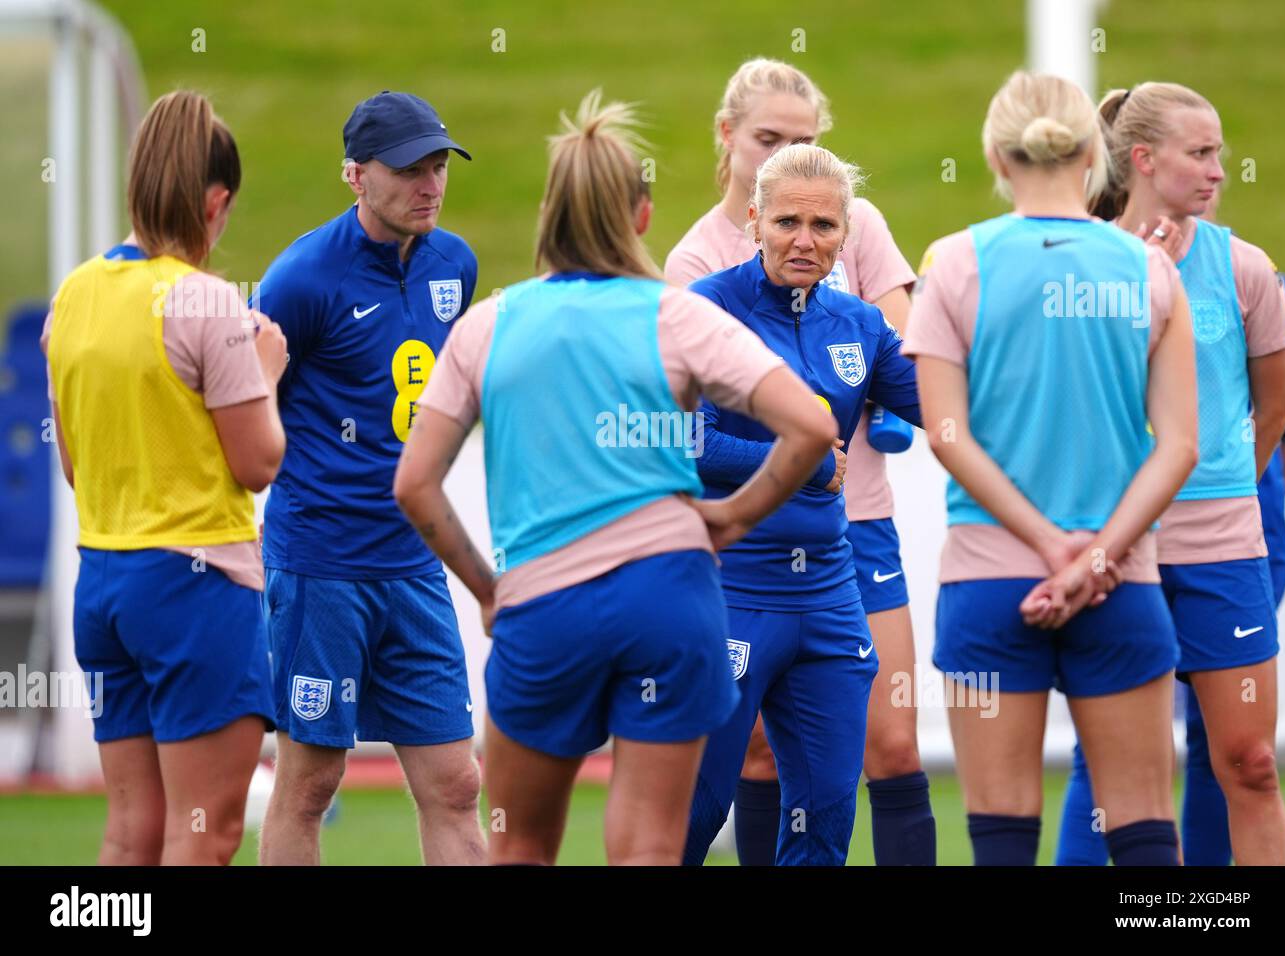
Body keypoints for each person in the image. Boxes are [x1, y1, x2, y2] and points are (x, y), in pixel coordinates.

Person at [393, 91, 836, 865]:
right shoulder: (679, 315)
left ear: (547, 214)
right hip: (670, 602)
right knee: (649, 852)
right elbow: (812, 429)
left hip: (542, 605)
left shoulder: (490, 324)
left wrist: (488, 589)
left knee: (521, 846)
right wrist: (730, 518)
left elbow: (414, 486)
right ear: (640, 216)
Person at [907, 71, 1201, 866]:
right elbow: (1179, 447)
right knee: (1146, 841)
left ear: (997, 159)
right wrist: (1092, 557)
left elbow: (944, 433)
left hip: (988, 587)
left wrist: (1048, 548)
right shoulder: (1149, 271)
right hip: (1121, 583)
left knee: (1001, 844)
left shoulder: (957, 263)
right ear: (1093, 161)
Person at [665, 57, 934, 867]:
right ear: (752, 220)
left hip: (829, 592)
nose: (805, 241)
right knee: (687, 815)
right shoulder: (703, 307)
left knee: (823, 821)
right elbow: (670, 441)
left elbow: (948, 411)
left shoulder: (858, 323)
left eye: (823, 227)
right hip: (730, 589)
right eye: (787, 223)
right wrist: (802, 457)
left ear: (847, 235)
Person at [1051, 82, 1285, 866]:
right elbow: (1060, 405)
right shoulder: (1074, 265)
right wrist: (1134, 285)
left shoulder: (1247, 269)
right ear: (1146, 160)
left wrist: (1220, 498)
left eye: (1219, 152)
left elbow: (1271, 408)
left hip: (1225, 545)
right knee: (1117, 766)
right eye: (1202, 153)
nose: (1220, 169)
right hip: (1116, 548)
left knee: (1250, 765)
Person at [42, 90, 285, 865]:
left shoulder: (73, 297)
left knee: (131, 834)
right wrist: (267, 373)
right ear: (216, 202)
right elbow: (257, 463)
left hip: (104, 582)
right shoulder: (208, 302)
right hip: (196, 586)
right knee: (202, 837)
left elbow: (77, 468)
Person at [255, 91, 485, 866]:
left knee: (456, 782)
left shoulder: (456, 262)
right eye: (409, 170)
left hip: (414, 564)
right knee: (311, 783)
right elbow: (254, 413)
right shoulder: (299, 280)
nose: (430, 185)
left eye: (438, 167)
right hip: (322, 568)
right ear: (355, 174)